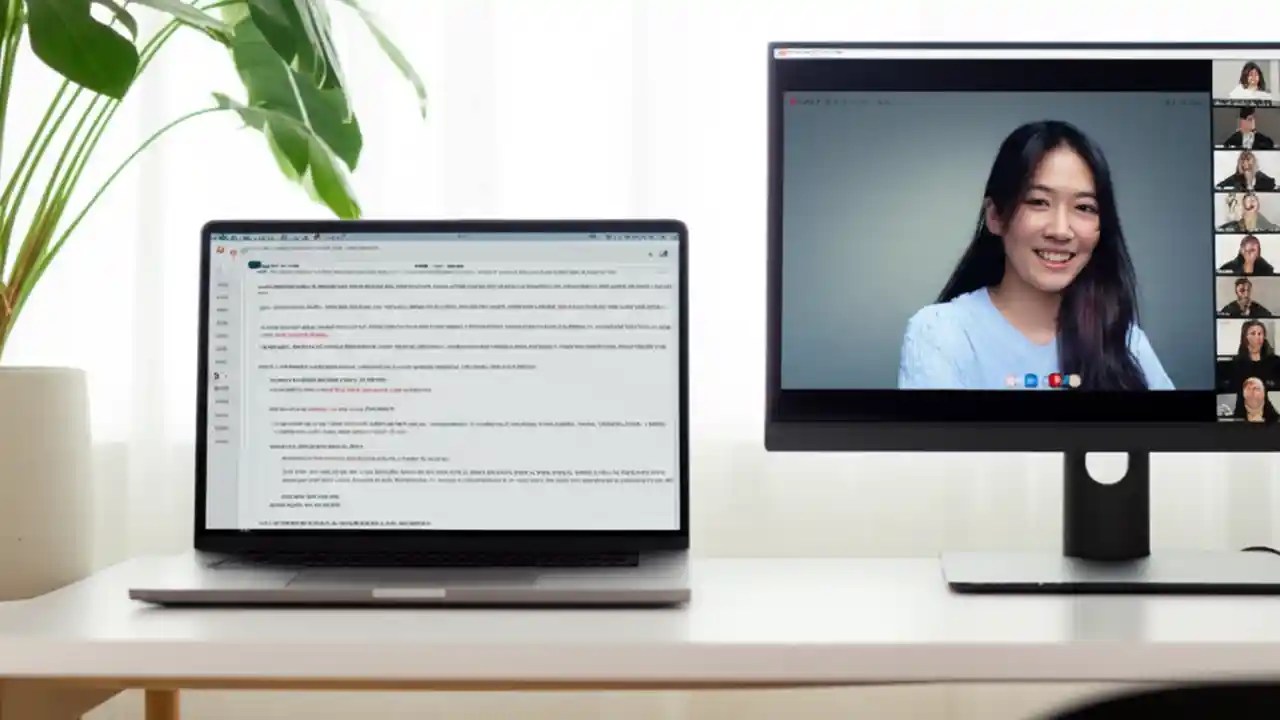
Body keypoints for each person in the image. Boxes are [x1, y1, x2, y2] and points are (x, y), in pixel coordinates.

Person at [897, 120, 1173, 390]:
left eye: (1084, 207)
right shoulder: (941, 333)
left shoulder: (1124, 342)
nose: (1061, 231)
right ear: (995, 216)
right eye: (1039, 202)